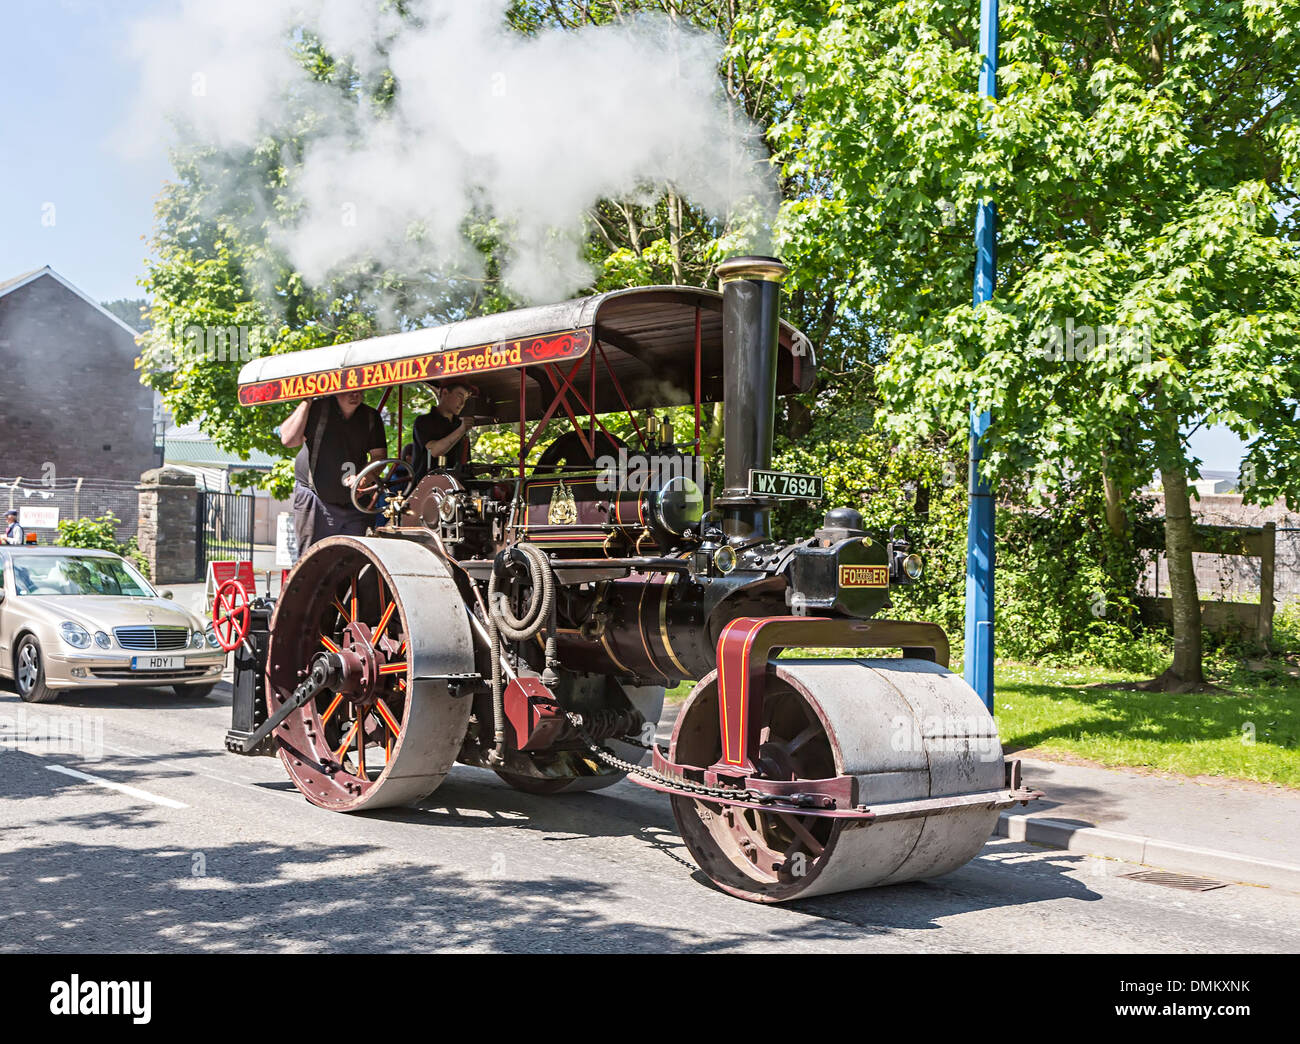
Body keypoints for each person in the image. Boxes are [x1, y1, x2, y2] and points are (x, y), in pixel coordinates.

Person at [280, 390, 387, 553]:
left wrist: (363, 478)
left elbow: (379, 456)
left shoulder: (371, 416)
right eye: (349, 390)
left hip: (354, 503)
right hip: (316, 500)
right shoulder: (317, 408)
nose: (354, 395)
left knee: (354, 560)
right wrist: (306, 401)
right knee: (314, 561)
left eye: (359, 390)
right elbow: (289, 439)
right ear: (336, 389)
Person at [412, 379, 477, 477]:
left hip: (455, 484)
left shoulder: (459, 424)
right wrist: (461, 430)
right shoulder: (424, 421)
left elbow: (464, 464)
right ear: (445, 393)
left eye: (466, 398)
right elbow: (434, 451)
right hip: (427, 486)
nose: (463, 403)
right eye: (460, 396)